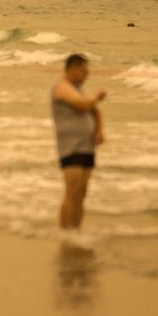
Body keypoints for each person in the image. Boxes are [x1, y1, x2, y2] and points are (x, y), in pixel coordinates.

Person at [52, 53, 106, 230]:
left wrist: (99, 131)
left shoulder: (80, 91)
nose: (87, 74)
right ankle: (64, 232)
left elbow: (95, 112)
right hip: (70, 147)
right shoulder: (62, 87)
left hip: (87, 147)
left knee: (82, 192)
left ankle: (76, 230)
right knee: (72, 190)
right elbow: (82, 105)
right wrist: (96, 98)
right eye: (84, 70)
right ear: (73, 68)